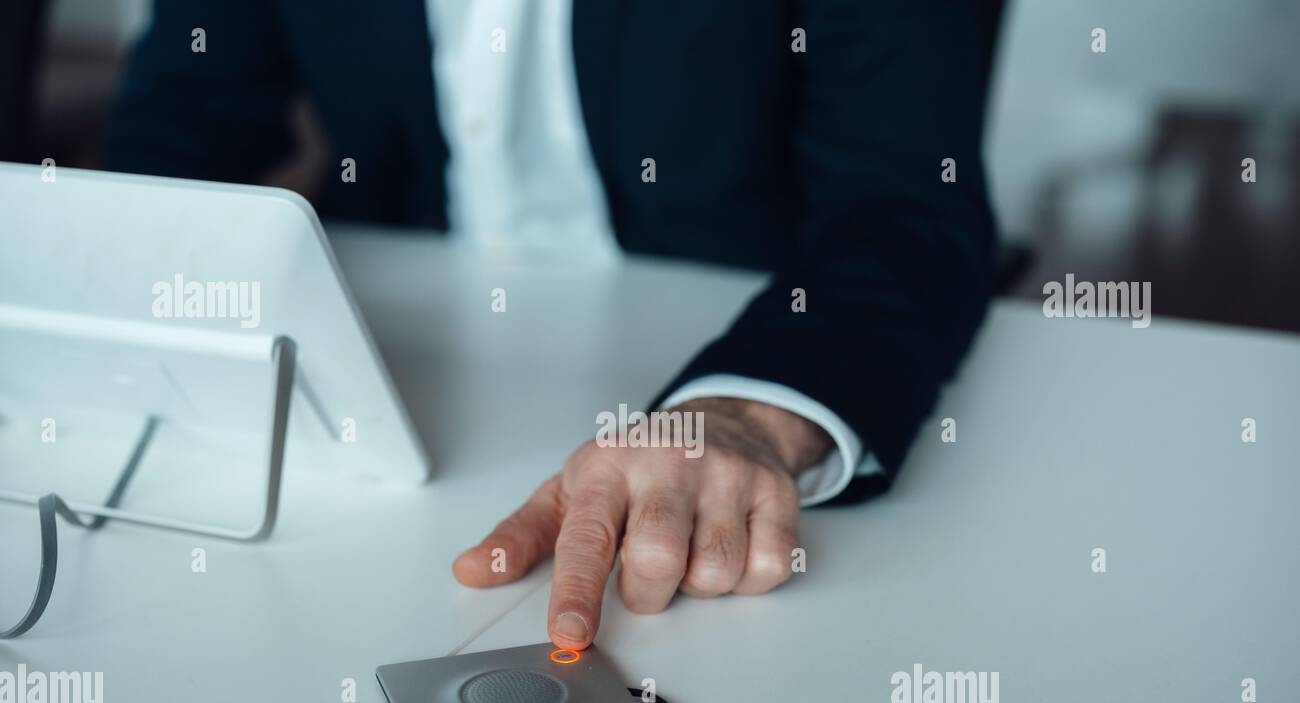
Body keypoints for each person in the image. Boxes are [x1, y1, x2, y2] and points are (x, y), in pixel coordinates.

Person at [103, 0, 996, 651]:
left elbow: (907, 205)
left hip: (751, 351)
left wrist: (744, 415)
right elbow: (177, 132)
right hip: (384, 419)